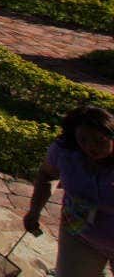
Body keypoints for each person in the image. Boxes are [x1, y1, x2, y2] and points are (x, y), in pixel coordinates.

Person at [25, 105, 114, 275]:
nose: (91, 147)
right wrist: (34, 210)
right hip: (79, 232)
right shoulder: (66, 151)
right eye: (83, 140)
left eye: (99, 140)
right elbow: (47, 174)